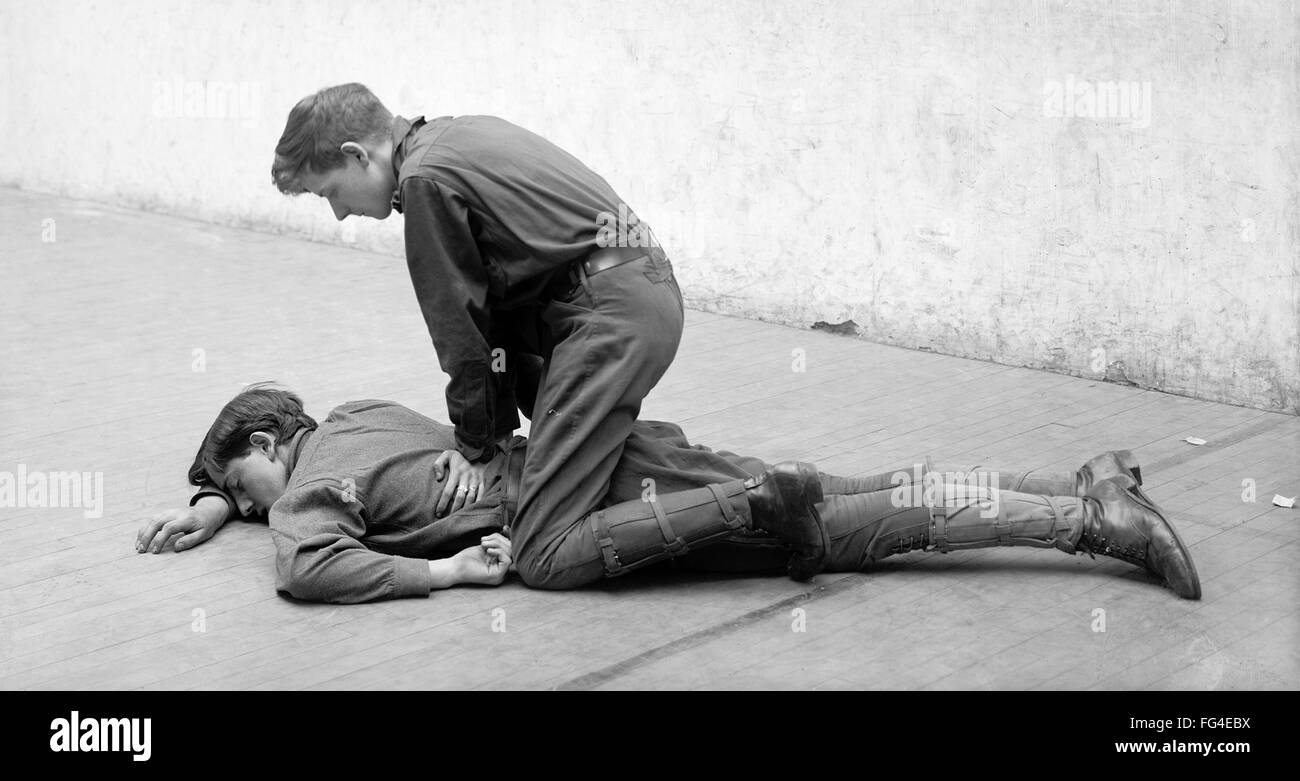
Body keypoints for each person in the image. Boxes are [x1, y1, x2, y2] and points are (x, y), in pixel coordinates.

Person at [183, 81, 831, 584]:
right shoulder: (454, 138)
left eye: (332, 190)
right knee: (617, 465)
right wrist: (492, 435)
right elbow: (492, 319)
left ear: (357, 154)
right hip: (634, 290)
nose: (341, 212)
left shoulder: (425, 182)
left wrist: (474, 444)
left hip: (609, 312)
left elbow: (460, 334)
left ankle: (756, 499)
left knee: (545, 549)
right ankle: (793, 489)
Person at [136, 385, 1202, 603]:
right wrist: (216, 502)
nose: (256, 506)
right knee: (856, 491)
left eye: (245, 482)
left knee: (852, 533)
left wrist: (445, 569)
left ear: (274, 443)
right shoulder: (359, 417)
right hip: (622, 455)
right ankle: (1078, 480)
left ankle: (1084, 523)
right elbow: (283, 496)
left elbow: (307, 566)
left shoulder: (312, 487)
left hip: (601, 518)